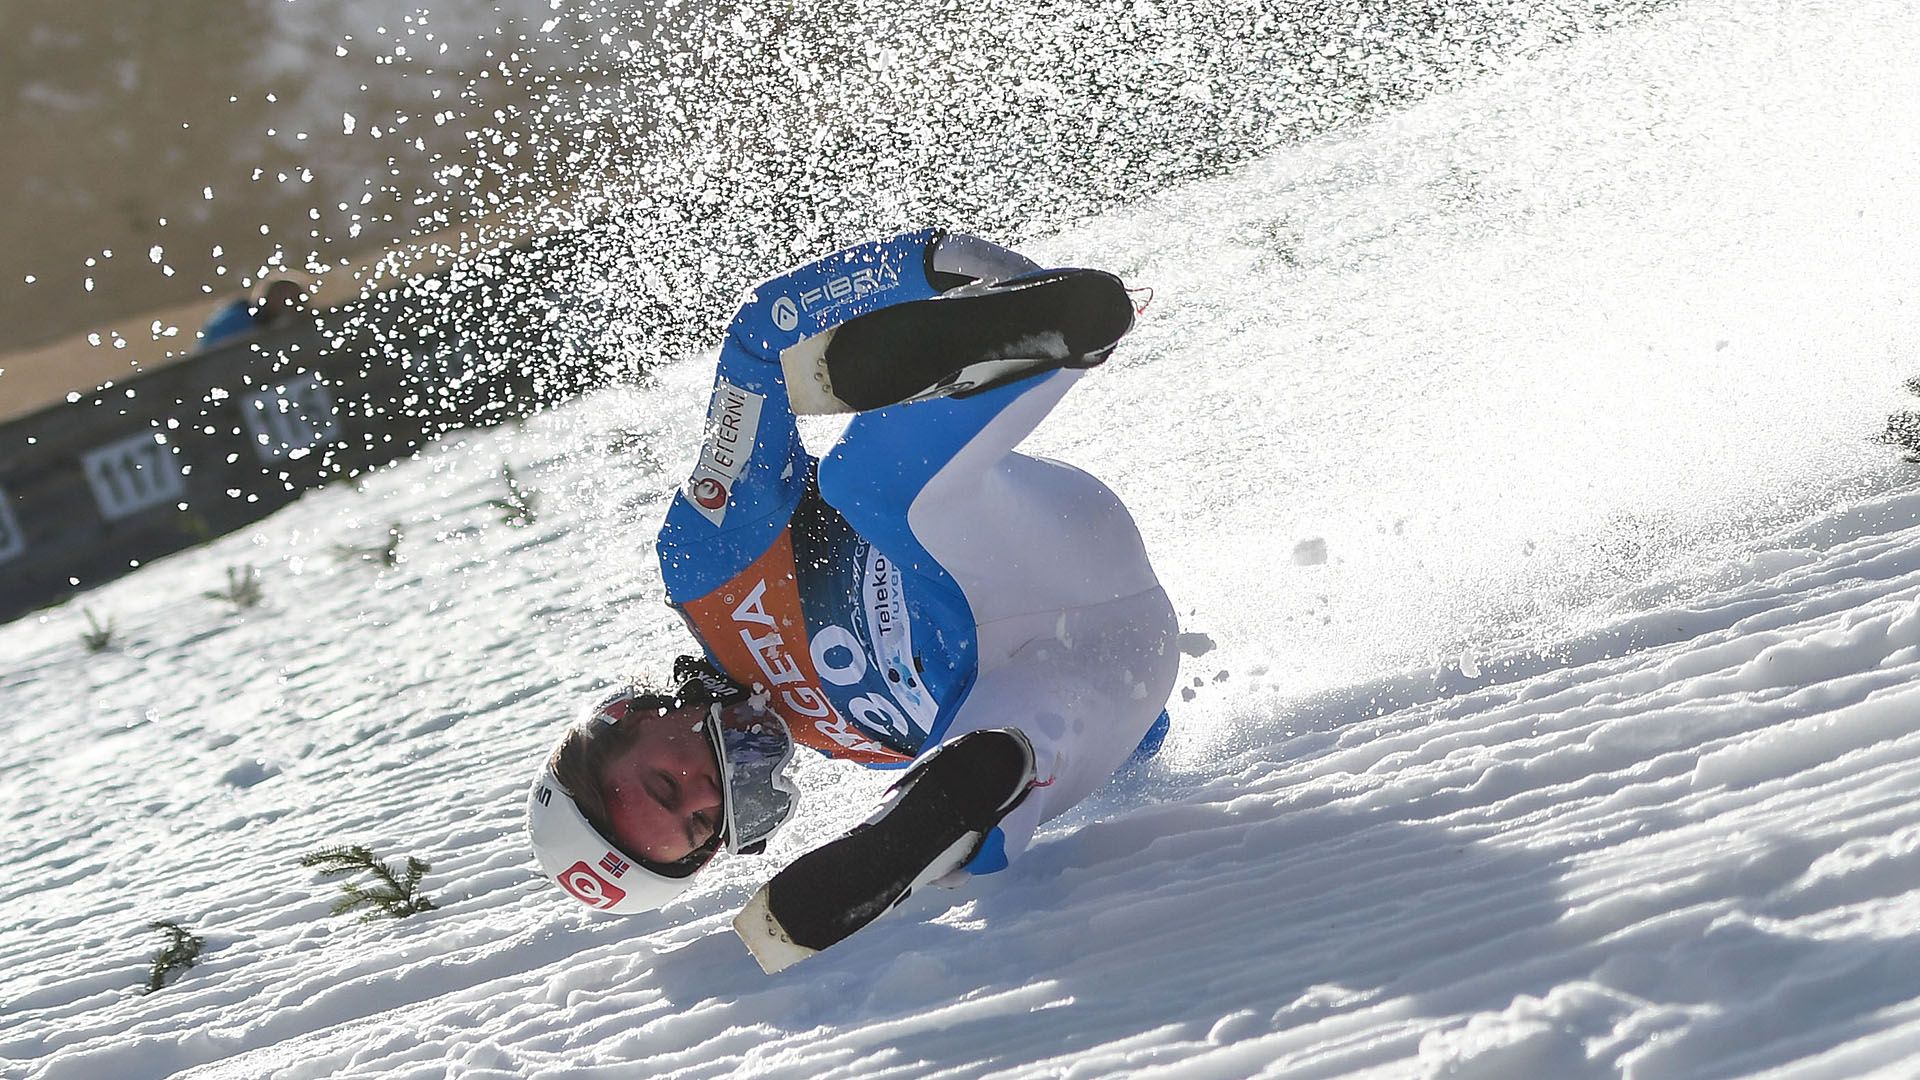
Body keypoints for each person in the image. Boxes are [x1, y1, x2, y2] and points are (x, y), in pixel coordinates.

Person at [527, 229, 1179, 972]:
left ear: (629, 720)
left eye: (664, 782)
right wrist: (1125, 741)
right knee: (1001, 744)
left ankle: (1037, 330)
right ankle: (946, 815)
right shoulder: (862, 745)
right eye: (703, 823)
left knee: (860, 483)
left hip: (1023, 534)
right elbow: (1137, 732)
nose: (705, 790)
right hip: (1124, 650)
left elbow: (757, 352)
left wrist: (927, 265)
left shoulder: (709, 574)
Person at [196, 277, 307, 350]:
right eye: (293, 298)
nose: (298, 306)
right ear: (272, 297)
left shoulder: (279, 327)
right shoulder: (235, 320)